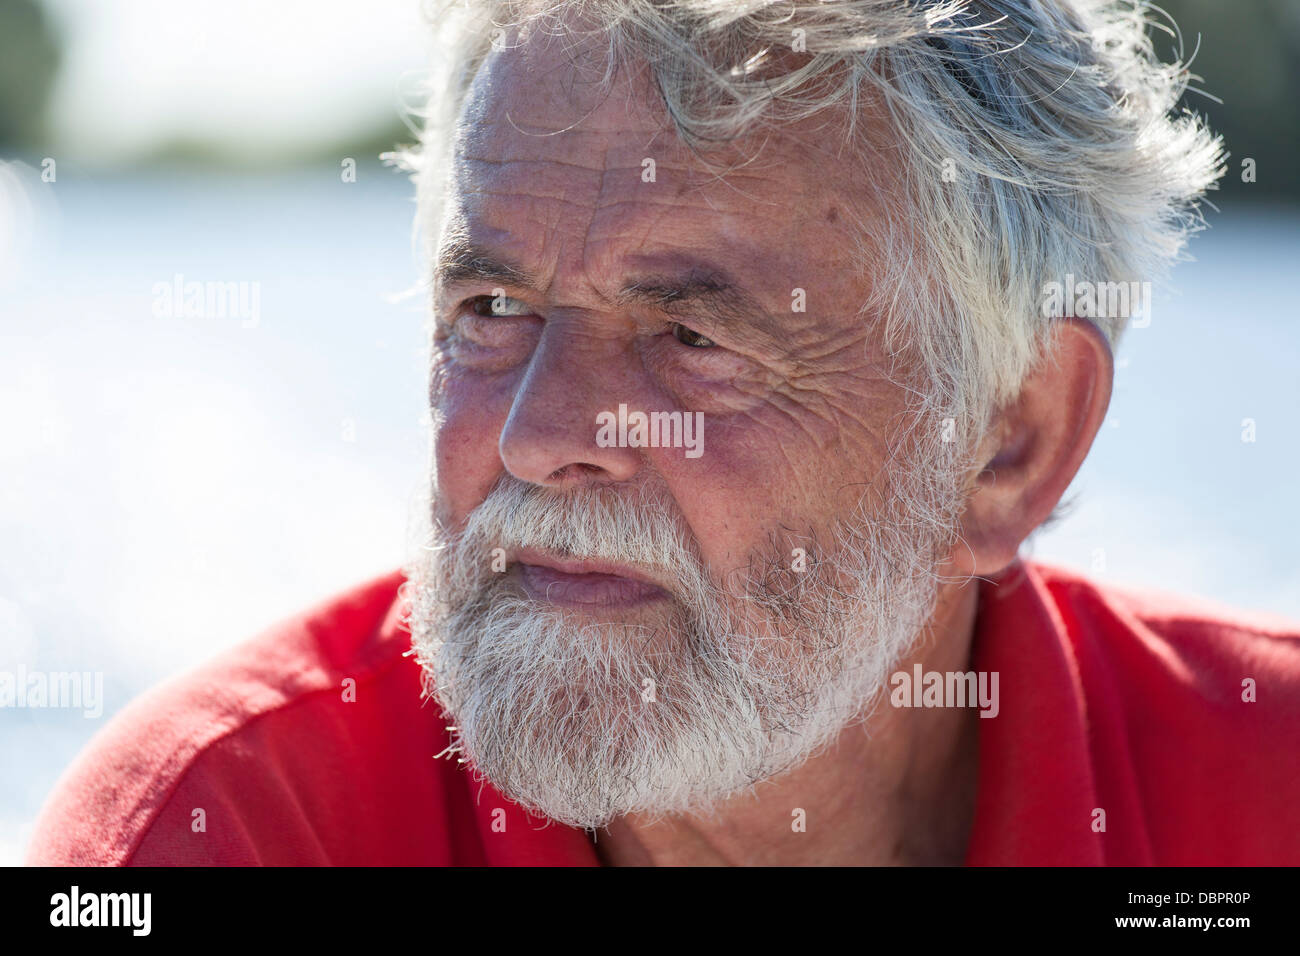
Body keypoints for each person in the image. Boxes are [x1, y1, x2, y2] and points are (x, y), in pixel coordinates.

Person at [27, 0, 1300, 866]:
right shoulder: (216, 833)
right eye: (493, 310)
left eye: (693, 338)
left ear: (1010, 439)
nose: (539, 439)